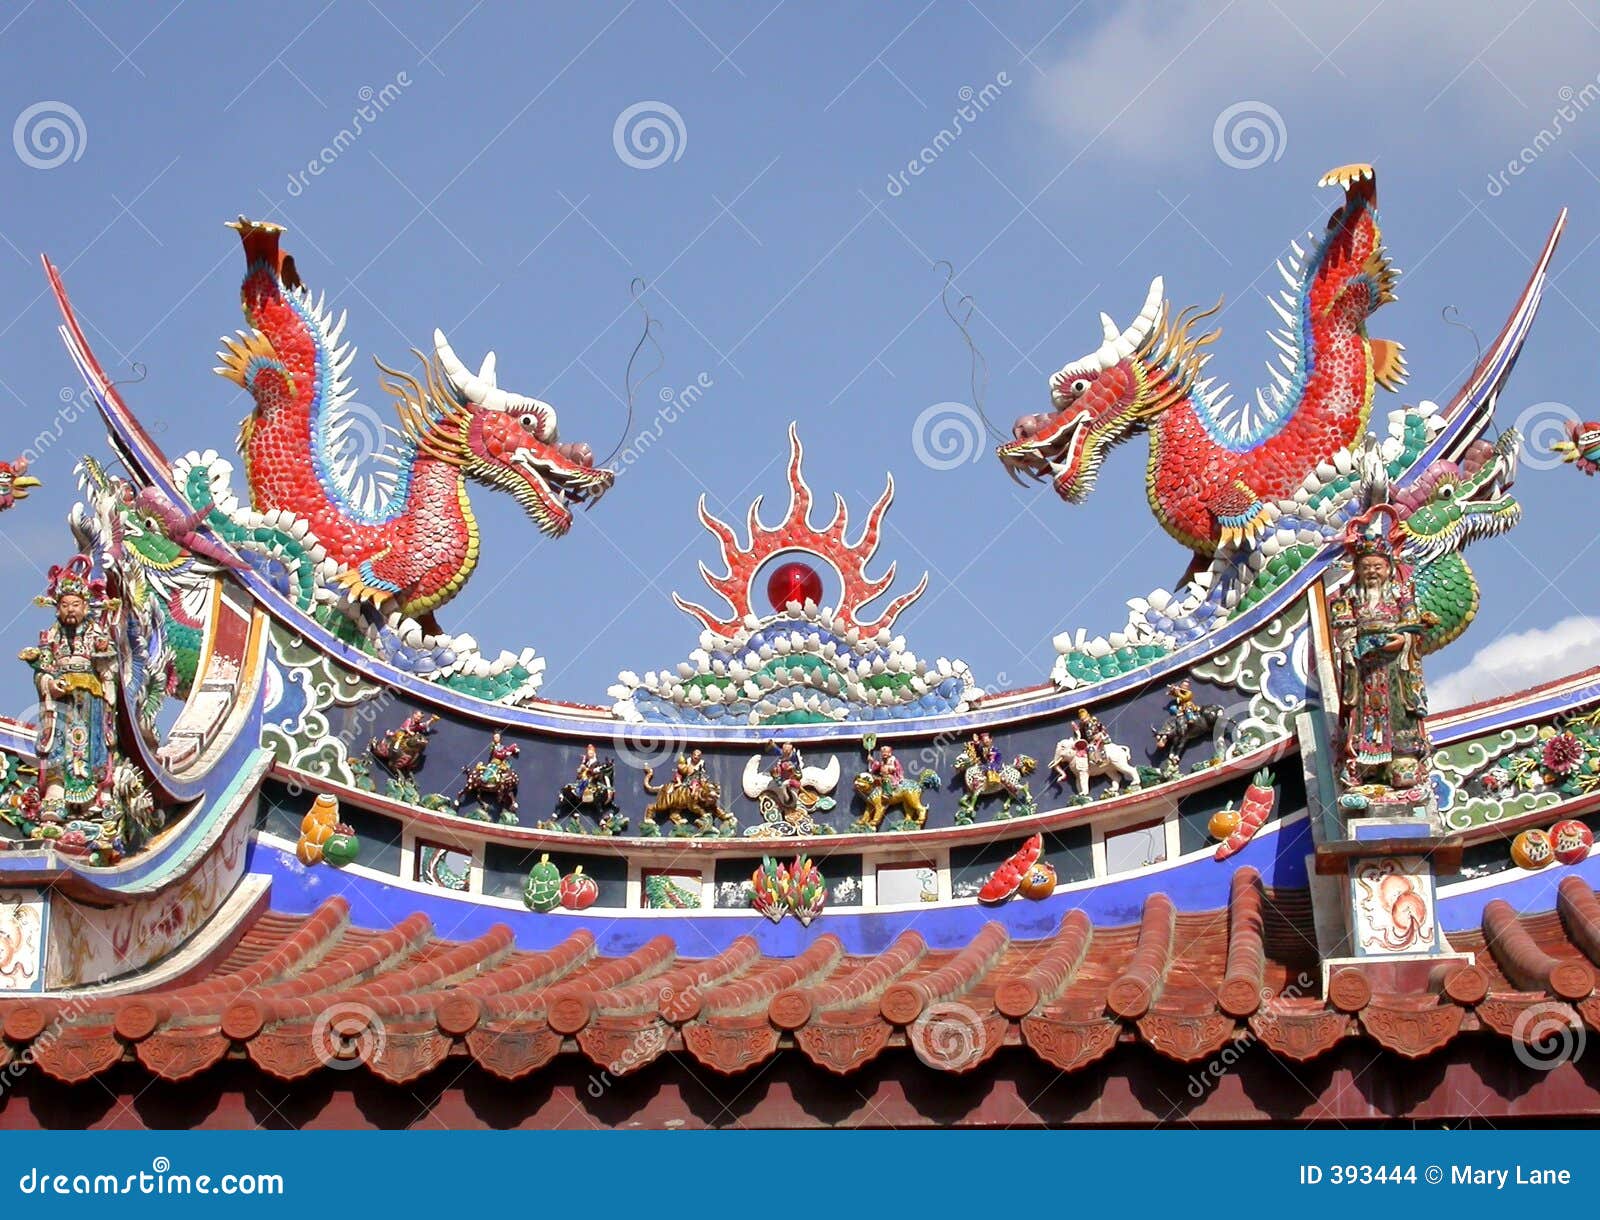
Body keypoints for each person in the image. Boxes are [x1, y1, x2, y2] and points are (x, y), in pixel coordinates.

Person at [1328, 506, 1436, 790]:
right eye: (1366, 567)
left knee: (1400, 709)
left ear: (1388, 569)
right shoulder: (1348, 596)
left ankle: (1403, 758)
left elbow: (1412, 624)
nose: (1372, 572)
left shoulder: (1401, 594)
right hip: (1364, 665)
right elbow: (1343, 627)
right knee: (1364, 711)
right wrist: (1352, 646)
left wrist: (1403, 640)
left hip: (1395, 663)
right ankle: (1367, 764)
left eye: (1377, 567)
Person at [21, 556, 118, 822]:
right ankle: (55, 793)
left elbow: (109, 669)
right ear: (57, 609)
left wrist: (103, 660)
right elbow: (43, 668)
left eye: (76, 604)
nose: (70, 610)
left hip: (91, 700)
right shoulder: (51, 636)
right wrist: (49, 683)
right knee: (58, 747)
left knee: (94, 748)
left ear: (86, 607)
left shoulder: (97, 633)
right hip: (61, 701)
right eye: (65, 605)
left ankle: (98, 798)